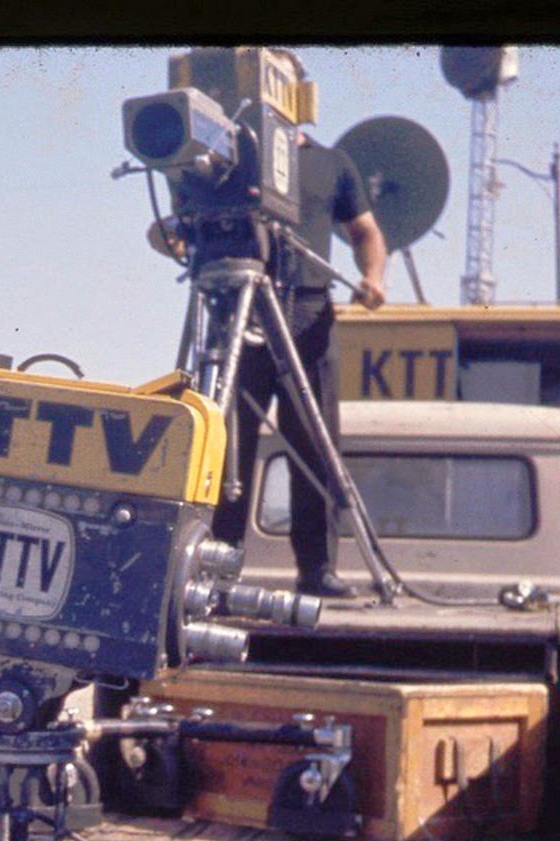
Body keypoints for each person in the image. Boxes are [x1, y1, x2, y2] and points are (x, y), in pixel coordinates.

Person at [149, 61, 387, 598]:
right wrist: (178, 241)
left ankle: (318, 570)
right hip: (232, 309)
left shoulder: (331, 163)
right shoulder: (212, 163)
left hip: (305, 311)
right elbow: (181, 229)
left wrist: (373, 277)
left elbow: (366, 232)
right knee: (226, 442)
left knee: (315, 439)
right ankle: (214, 568)